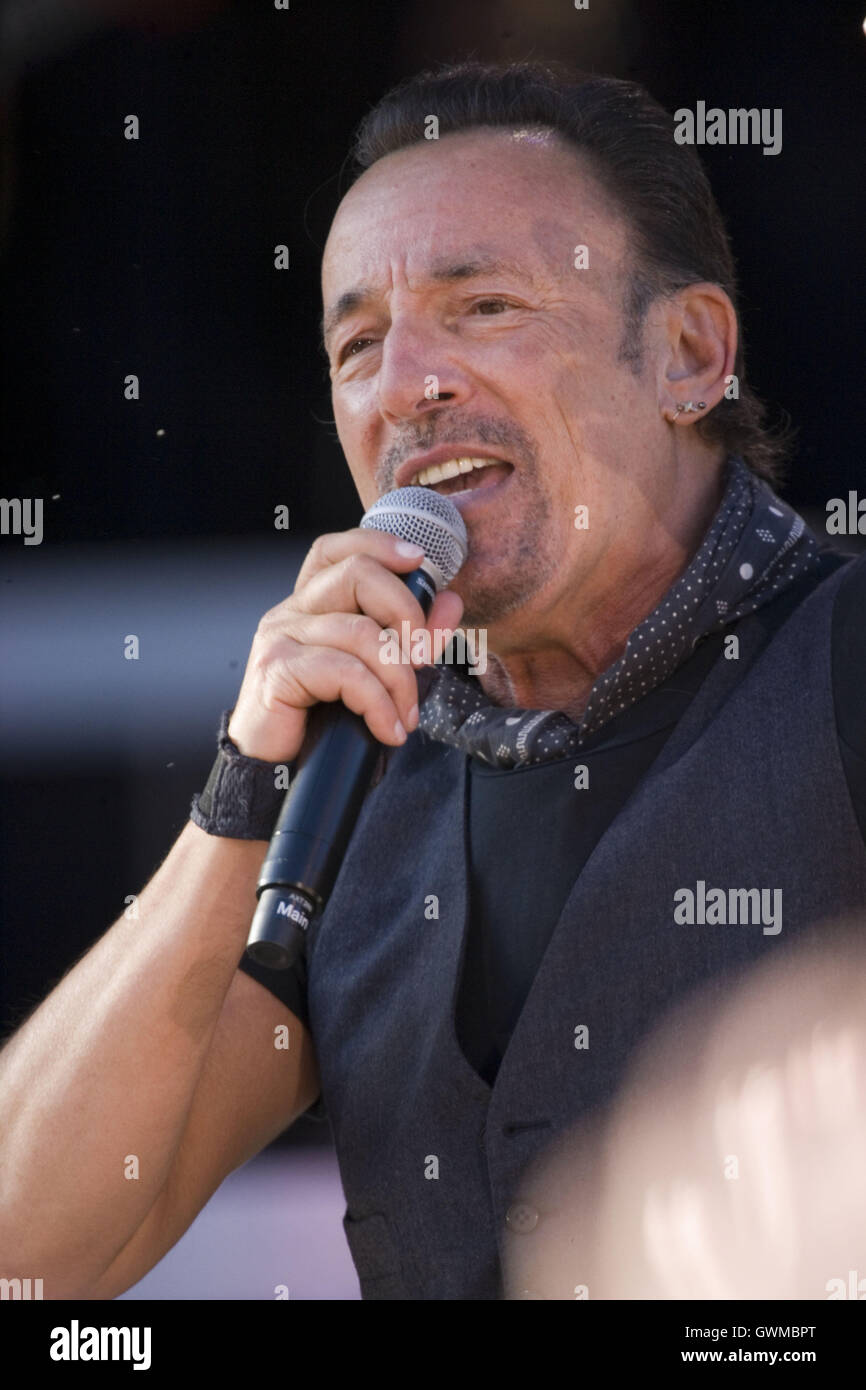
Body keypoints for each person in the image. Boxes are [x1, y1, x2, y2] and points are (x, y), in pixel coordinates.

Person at [1, 60, 864, 1302]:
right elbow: (30, 1258)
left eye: (485, 307)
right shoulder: (349, 783)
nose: (406, 384)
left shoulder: (834, 661)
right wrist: (239, 797)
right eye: (358, 342)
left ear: (686, 356)